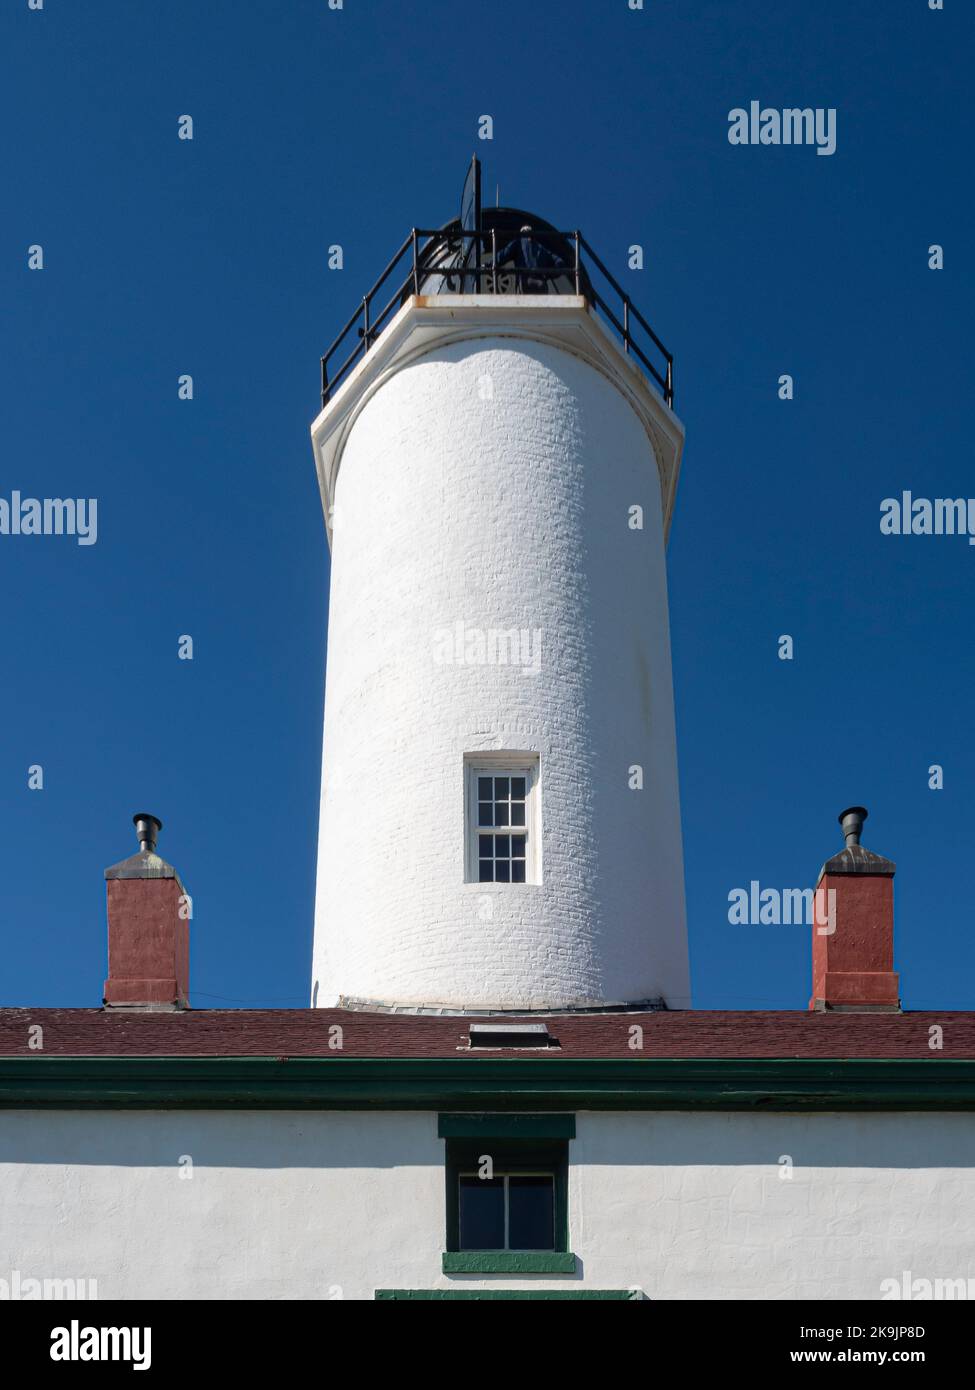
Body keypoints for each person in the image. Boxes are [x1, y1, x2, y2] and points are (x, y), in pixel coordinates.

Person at [493, 224, 566, 293]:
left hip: (524, 282)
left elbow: (503, 255)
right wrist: (548, 274)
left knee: (523, 305)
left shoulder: (518, 243)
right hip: (540, 284)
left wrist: (489, 264)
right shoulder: (542, 248)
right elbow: (560, 262)